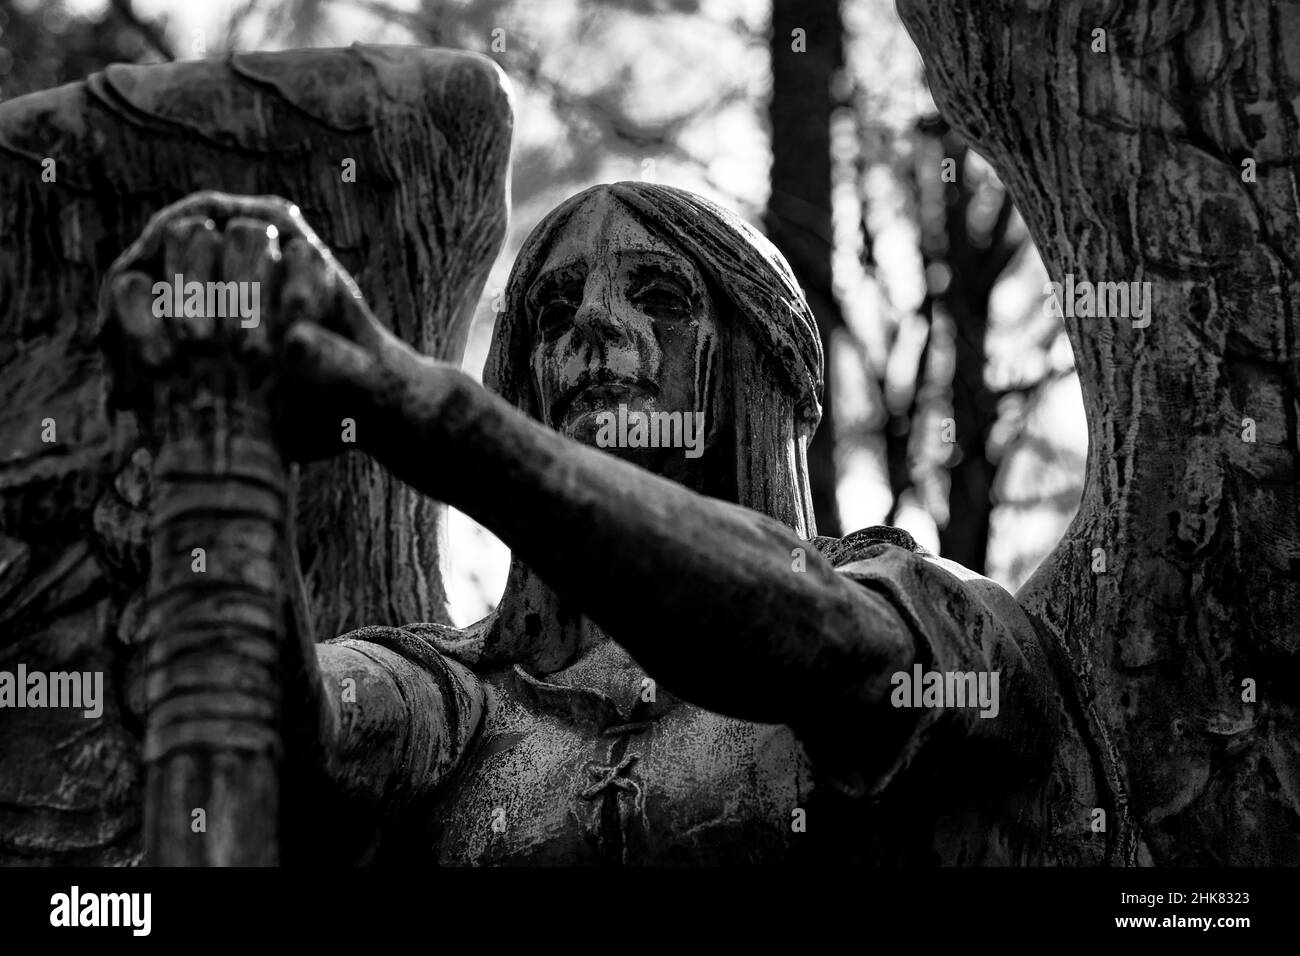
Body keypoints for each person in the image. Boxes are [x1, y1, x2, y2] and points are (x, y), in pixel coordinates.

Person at [104, 181, 1058, 865]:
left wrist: (422, 411)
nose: (592, 326)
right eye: (553, 313)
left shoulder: (928, 614)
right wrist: (224, 452)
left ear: (753, 364)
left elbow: (808, 641)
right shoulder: (459, 695)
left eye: (657, 296)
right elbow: (291, 732)